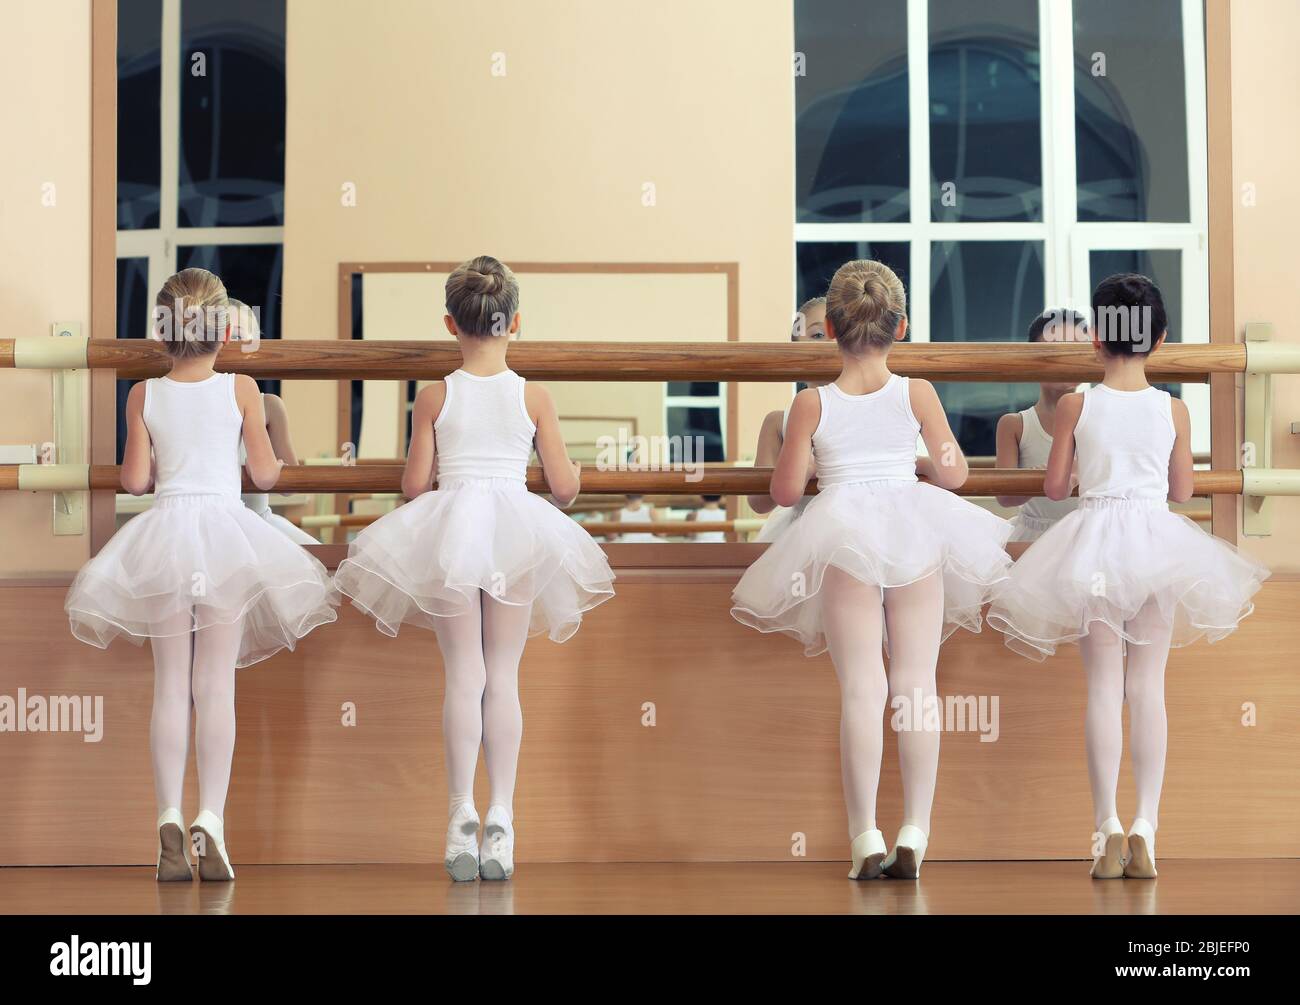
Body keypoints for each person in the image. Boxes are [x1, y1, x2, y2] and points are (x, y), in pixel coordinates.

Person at [333, 256, 616, 882]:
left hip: (453, 529)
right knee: (504, 674)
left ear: (449, 324)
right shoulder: (534, 396)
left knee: (464, 672)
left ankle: (460, 809)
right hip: (516, 528)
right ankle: (503, 817)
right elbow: (566, 488)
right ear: (516, 322)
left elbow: (413, 485)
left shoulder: (435, 394)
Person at [731, 260, 1012, 880]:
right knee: (917, 683)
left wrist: (813, 461)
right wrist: (911, 461)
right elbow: (955, 473)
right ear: (901, 326)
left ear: (828, 326)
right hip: (913, 527)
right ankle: (915, 828)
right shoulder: (917, 393)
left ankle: (864, 837)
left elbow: (781, 493)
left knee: (862, 686)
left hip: (843, 535)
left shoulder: (810, 404)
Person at [988, 273, 1269, 879]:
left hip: (1092, 541)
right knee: (1148, 688)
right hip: (1155, 543)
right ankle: (1147, 824)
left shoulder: (1075, 404)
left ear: (1096, 341)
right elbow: (1182, 489)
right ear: (1160, 338)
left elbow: (1057, 486)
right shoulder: (1173, 407)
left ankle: (1107, 827)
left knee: (1101, 690)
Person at [65, 268, 338, 882]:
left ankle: (166, 812)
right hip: (223, 535)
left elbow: (135, 481)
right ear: (223, 333)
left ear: (162, 335)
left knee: (171, 685)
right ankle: (210, 819)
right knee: (215, 685)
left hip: (165, 535)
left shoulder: (143, 395)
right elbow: (265, 476)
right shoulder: (242, 388)